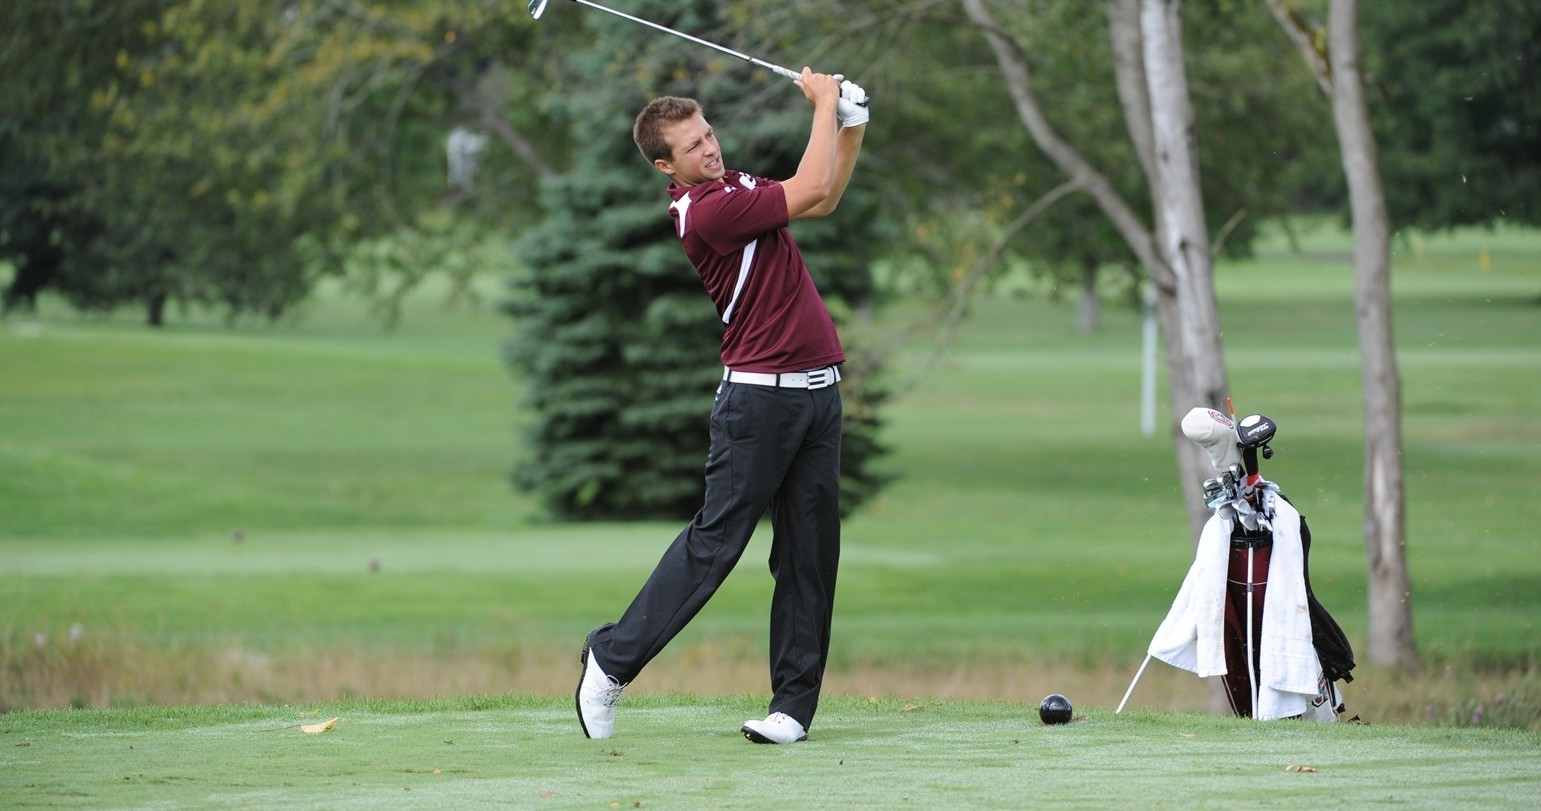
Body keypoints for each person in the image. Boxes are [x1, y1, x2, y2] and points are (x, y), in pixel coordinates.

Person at [575, 67, 869, 745]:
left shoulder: (734, 186)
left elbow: (822, 199)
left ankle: (792, 709)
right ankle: (610, 660)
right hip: (758, 404)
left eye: (708, 134)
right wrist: (824, 105)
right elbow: (811, 186)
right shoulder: (705, 211)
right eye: (692, 145)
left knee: (809, 554)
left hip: (817, 395)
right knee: (715, 545)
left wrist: (850, 126)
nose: (709, 148)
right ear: (664, 166)